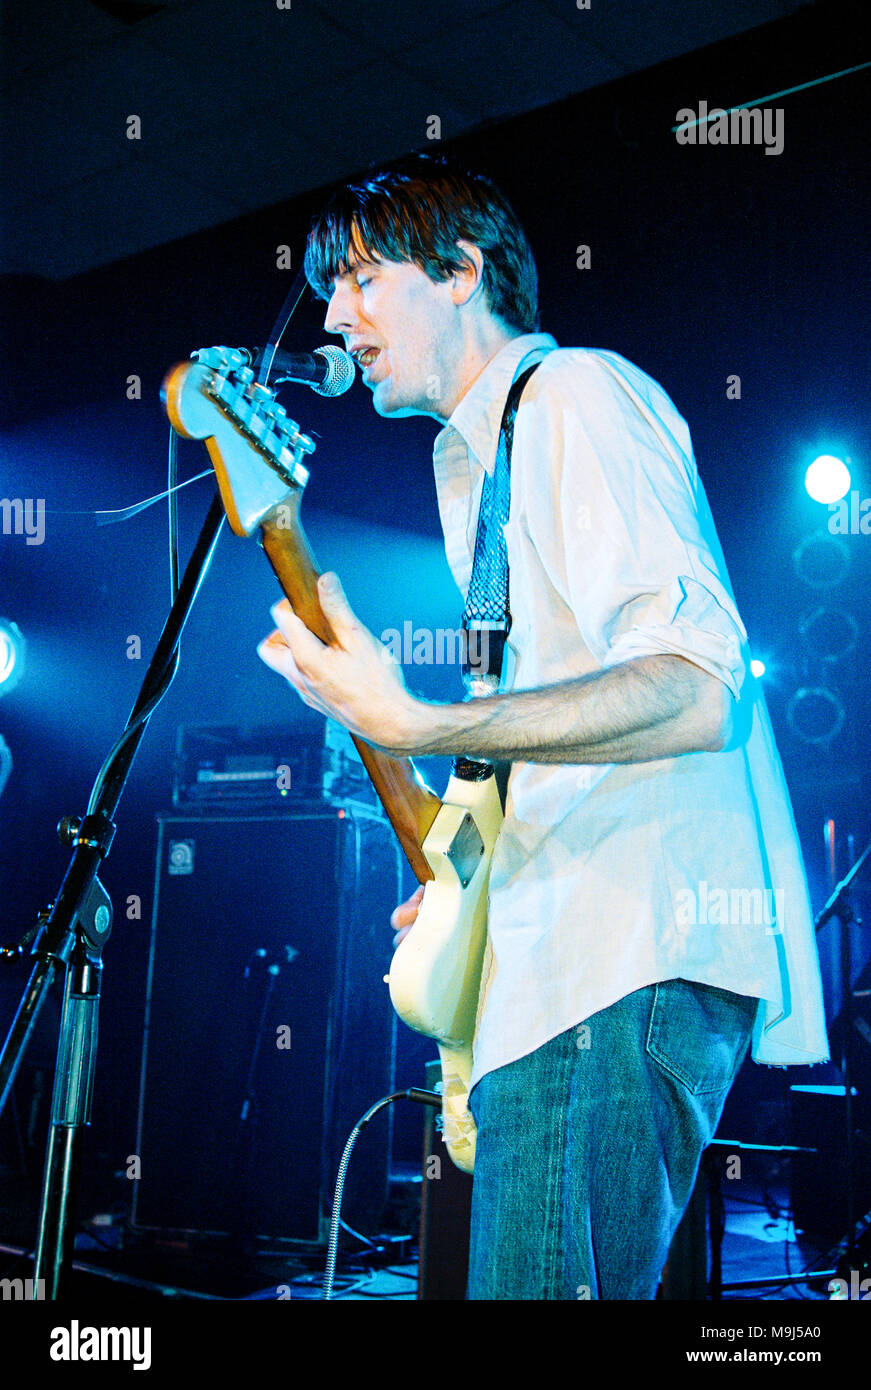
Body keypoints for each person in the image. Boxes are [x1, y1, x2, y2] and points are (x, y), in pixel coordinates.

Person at [257, 154, 829, 1299]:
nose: (334, 315)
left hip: (612, 961)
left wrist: (419, 716)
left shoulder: (572, 394)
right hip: (559, 965)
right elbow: (536, 744)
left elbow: (696, 682)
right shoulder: (473, 460)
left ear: (461, 269)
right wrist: (471, 875)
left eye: (363, 278)